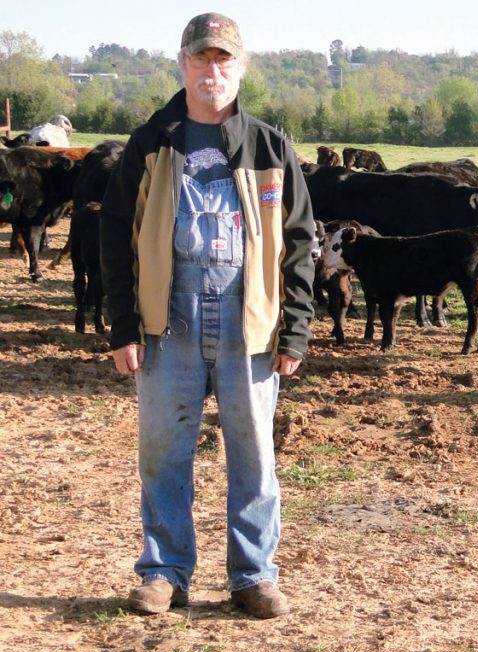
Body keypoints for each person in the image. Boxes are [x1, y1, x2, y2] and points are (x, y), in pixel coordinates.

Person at [100, 12, 317, 619]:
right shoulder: (151, 143)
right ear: (183, 63)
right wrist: (122, 326)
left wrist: (294, 326)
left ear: (241, 67)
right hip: (166, 319)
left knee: (253, 453)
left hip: (248, 317)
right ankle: (164, 571)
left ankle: (253, 575)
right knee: (164, 449)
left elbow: (300, 241)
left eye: (224, 60)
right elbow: (116, 233)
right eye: (202, 59)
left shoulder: (271, 147)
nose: (212, 71)